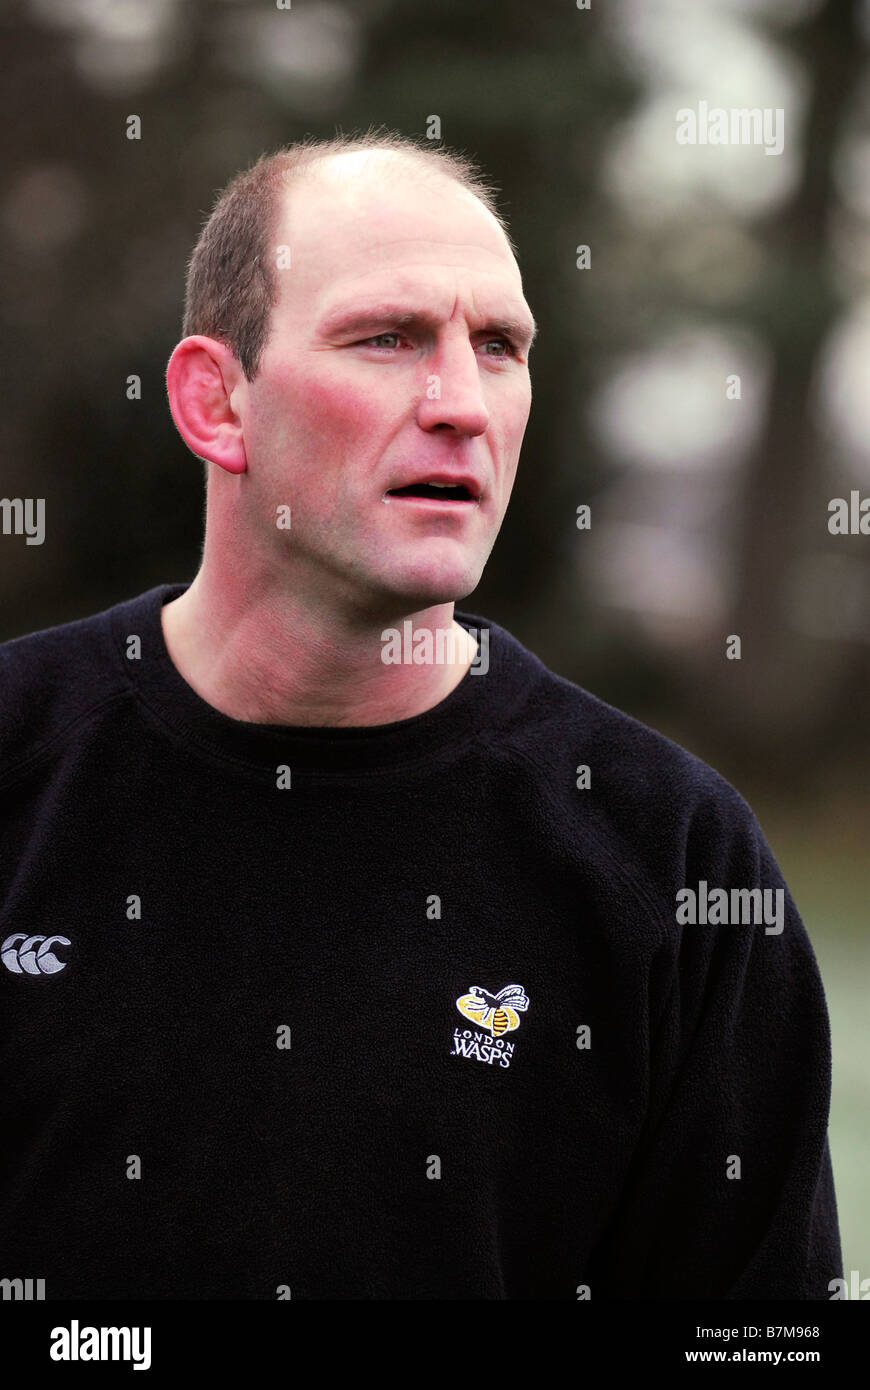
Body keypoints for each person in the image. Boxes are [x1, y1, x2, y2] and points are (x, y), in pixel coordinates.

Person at [0, 131, 842, 1301]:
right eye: (388, 338)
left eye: (499, 346)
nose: (461, 404)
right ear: (214, 400)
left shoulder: (674, 855)